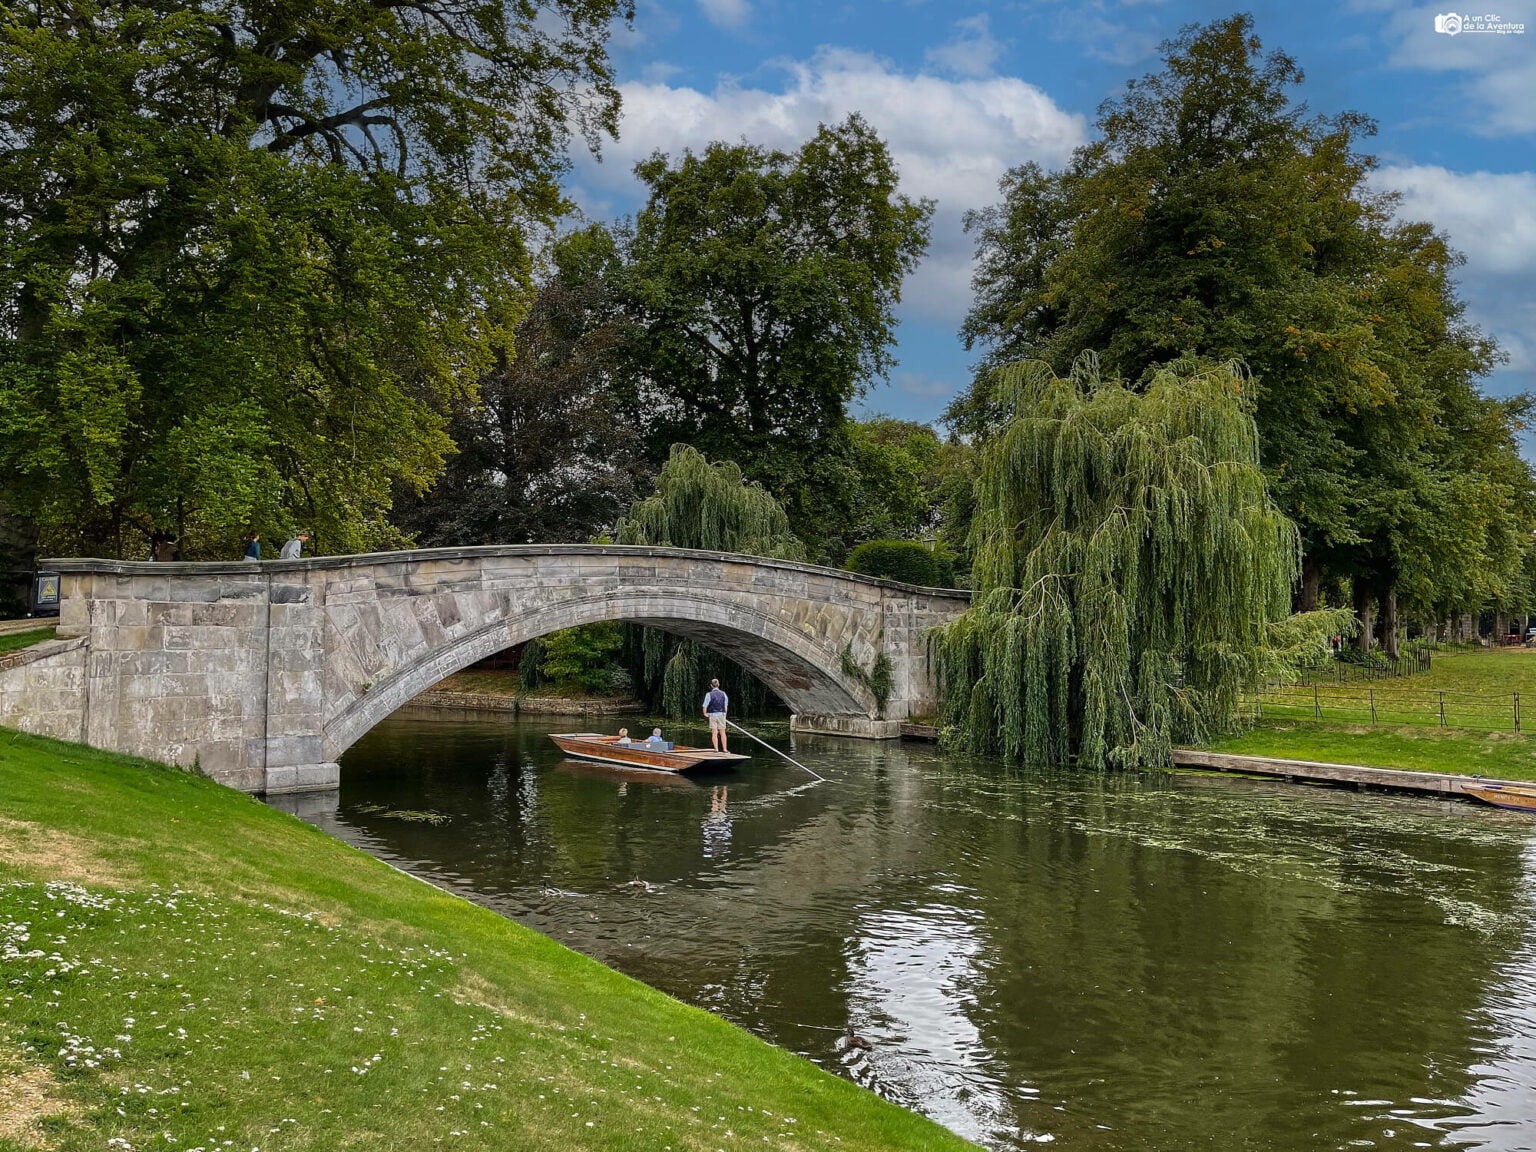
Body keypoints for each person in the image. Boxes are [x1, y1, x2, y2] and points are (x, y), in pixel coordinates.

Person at [702, 678, 729, 752]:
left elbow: (705, 706)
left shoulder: (709, 694)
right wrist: (725, 715)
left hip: (713, 715)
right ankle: (725, 749)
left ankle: (716, 749)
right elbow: (725, 706)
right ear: (718, 684)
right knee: (723, 733)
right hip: (722, 715)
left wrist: (705, 713)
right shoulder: (723, 694)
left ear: (711, 685)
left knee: (714, 732)